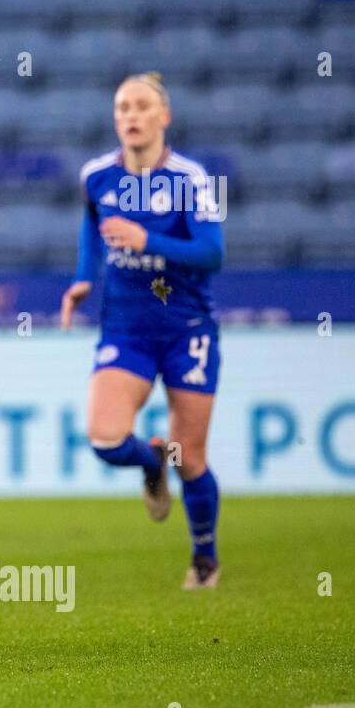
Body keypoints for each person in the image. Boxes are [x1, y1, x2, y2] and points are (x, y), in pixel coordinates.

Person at [60, 72, 225, 590]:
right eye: (122, 108)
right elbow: (93, 224)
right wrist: (85, 278)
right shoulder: (97, 177)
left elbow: (212, 252)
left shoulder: (192, 179)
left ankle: (204, 559)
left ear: (163, 117)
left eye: (140, 106)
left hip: (186, 329)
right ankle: (152, 461)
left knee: (192, 456)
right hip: (126, 327)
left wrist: (145, 237)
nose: (130, 116)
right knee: (106, 438)